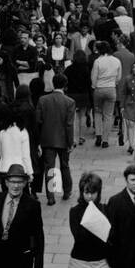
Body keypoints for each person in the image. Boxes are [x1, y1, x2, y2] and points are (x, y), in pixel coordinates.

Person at [66, 171, 117, 268]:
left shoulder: (106, 209)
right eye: (86, 192)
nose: (89, 196)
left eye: (93, 192)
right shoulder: (75, 212)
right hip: (81, 262)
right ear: (81, 192)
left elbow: (113, 236)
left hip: (102, 263)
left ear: (98, 192)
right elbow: (80, 238)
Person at [37, 74, 76, 205]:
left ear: (53, 84)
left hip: (47, 139)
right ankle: (67, 191)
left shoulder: (43, 100)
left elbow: (39, 121)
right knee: (65, 166)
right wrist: (70, 142)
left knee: (50, 168)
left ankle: (50, 196)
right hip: (64, 139)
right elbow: (69, 125)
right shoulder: (69, 102)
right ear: (65, 85)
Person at [91, 41, 122, 149]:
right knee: (108, 115)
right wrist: (113, 83)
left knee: (98, 112)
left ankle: (98, 134)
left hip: (99, 88)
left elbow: (93, 77)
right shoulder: (116, 61)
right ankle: (105, 139)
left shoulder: (98, 61)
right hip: (111, 89)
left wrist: (94, 86)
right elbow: (118, 78)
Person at [0, 104, 34, 189]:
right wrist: (30, 172)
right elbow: (25, 156)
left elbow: (0, 154)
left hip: (4, 169)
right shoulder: (23, 132)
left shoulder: (2, 132)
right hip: (19, 169)